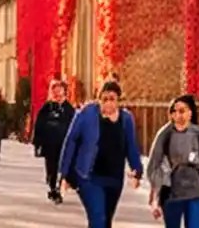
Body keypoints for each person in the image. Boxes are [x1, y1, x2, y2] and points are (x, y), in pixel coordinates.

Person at [60, 80, 143, 228]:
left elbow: (131, 146)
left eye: (112, 99)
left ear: (118, 101)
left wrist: (137, 170)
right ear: (99, 100)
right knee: (98, 218)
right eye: (104, 99)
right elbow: (71, 140)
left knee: (106, 222)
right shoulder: (87, 113)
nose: (108, 103)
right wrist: (66, 174)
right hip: (88, 176)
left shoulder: (126, 119)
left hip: (114, 179)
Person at [147, 95, 199, 228]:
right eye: (174, 111)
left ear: (190, 113)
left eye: (182, 111)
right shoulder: (165, 134)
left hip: (195, 194)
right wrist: (155, 198)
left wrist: (196, 161)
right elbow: (153, 167)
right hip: (171, 195)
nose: (178, 115)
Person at [33, 79, 75, 204]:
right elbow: (39, 125)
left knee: (63, 167)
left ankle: (58, 187)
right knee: (51, 167)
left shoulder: (69, 109)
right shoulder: (47, 108)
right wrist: (37, 143)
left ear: (64, 93)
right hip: (50, 144)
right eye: (54, 92)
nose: (57, 95)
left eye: (59, 92)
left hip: (64, 145)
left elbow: (75, 127)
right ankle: (52, 186)